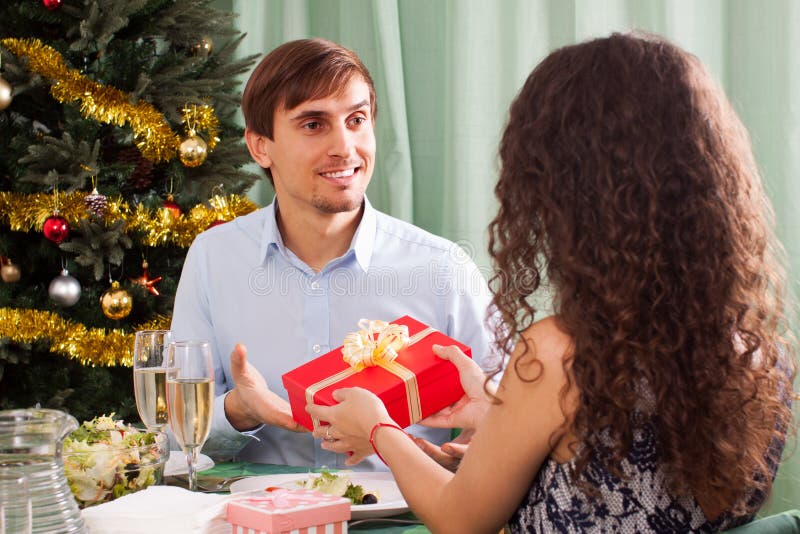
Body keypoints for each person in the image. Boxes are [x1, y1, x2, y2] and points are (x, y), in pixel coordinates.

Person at [306, 32, 797, 532]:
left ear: (567, 192)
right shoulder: (762, 359)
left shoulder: (558, 354)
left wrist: (379, 428)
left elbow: (459, 520)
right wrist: (498, 415)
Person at [170, 38, 494, 469]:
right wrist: (240, 410)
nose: (345, 147)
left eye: (357, 120)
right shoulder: (214, 258)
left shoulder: (443, 268)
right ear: (260, 146)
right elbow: (173, 432)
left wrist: (465, 453)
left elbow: (514, 415)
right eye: (313, 125)